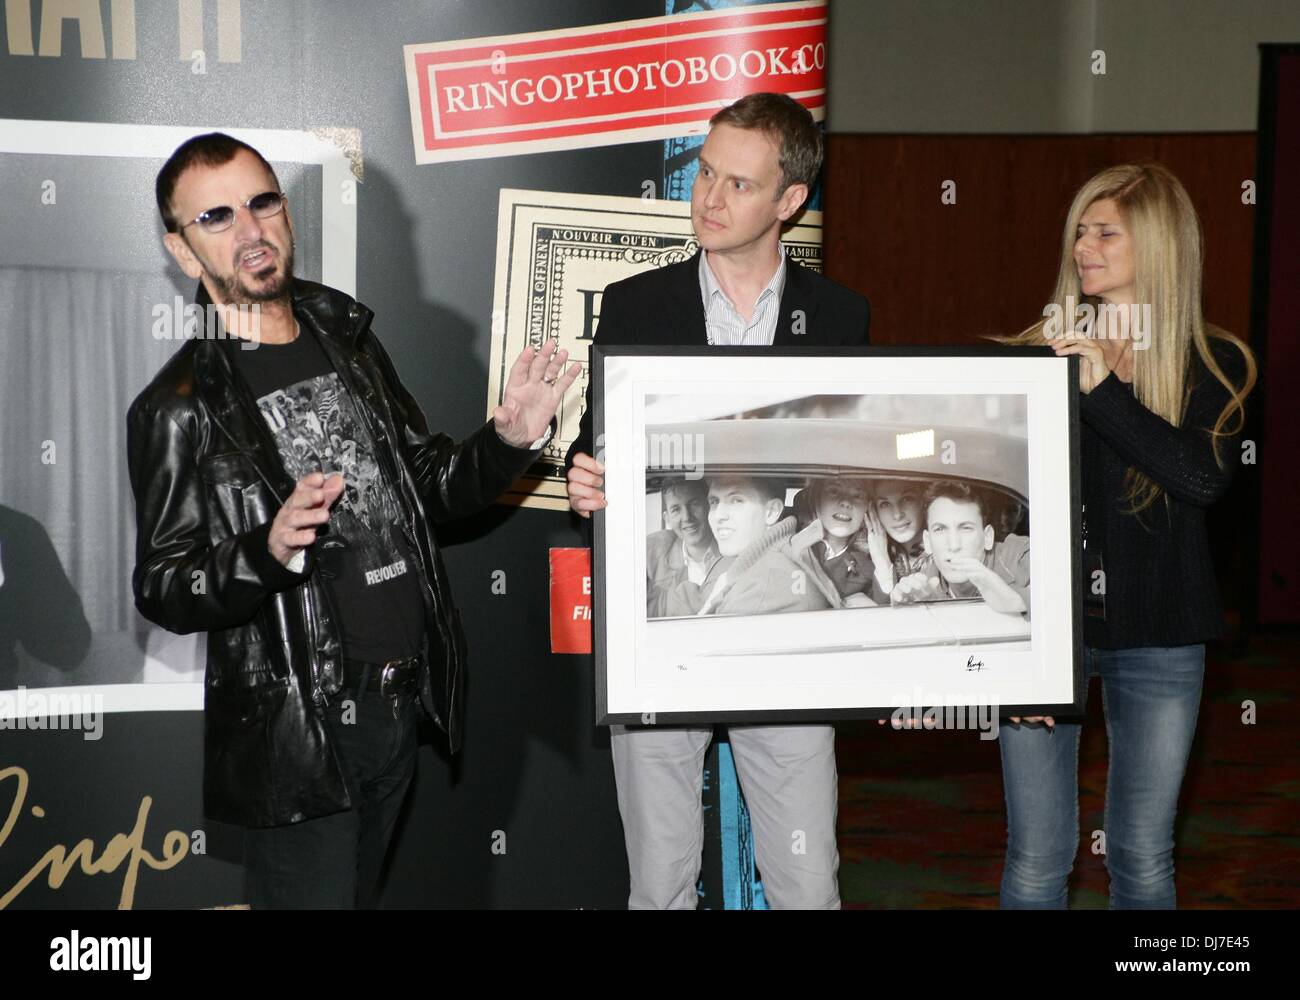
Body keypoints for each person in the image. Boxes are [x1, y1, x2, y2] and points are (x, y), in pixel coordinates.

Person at [128, 133, 578, 909]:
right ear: (181, 247)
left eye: (262, 202)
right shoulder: (177, 408)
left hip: (397, 706)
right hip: (301, 731)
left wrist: (507, 442)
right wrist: (265, 550)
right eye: (217, 217)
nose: (250, 229)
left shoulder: (350, 343)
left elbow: (428, 488)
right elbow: (165, 585)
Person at [564, 92, 871, 909]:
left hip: (784, 630)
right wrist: (584, 475)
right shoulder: (636, 303)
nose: (709, 197)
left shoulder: (839, 316)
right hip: (661, 625)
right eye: (705, 173)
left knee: (807, 883)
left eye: (739, 183)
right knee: (660, 882)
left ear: (790, 200)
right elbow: (600, 440)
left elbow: (845, 471)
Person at [995, 162, 1256, 908]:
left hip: (1162, 633)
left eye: (1106, 233)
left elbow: (1200, 478)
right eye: (1080, 231)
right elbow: (1006, 506)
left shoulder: (1213, 362)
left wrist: (1104, 391)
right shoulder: (1042, 355)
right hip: (1047, 634)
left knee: (1141, 856)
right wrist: (1017, 652)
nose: (1084, 247)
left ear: (1159, 245)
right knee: (1038, 858)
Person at [697, 474, 840, 616]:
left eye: (736, 501)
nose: (718, 515)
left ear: (771, 512)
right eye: (714, 502)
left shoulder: (766, 587)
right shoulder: (755, 561)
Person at [890, 480, 1030, 615]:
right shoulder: (922, 581)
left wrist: (1016, 600)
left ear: (988, 537)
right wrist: (904, 611)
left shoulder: (1019, 554)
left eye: (966, 528)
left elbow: (1043, 595)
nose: (954, 545)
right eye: (940, 529)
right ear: (928, 541)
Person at [797, 477, 880, 607]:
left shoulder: (868, 568)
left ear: (868, 509)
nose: (846, 502)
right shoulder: (791, 548)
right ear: (816, 499)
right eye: (834, 491)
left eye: (858, 496)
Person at [646, 477, 721, 618]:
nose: (687, 517)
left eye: (694, 504)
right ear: (667, 518)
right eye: (676, 509)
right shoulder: (652, 552)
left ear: (708, 505)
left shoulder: (731, 549)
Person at [863, 478, 927, 596]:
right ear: (874, 512)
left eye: (906, 499)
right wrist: (882, 562)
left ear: (922, 502)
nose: (897, 514)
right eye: (885, 504)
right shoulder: (866, 561)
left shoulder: (942, 551)